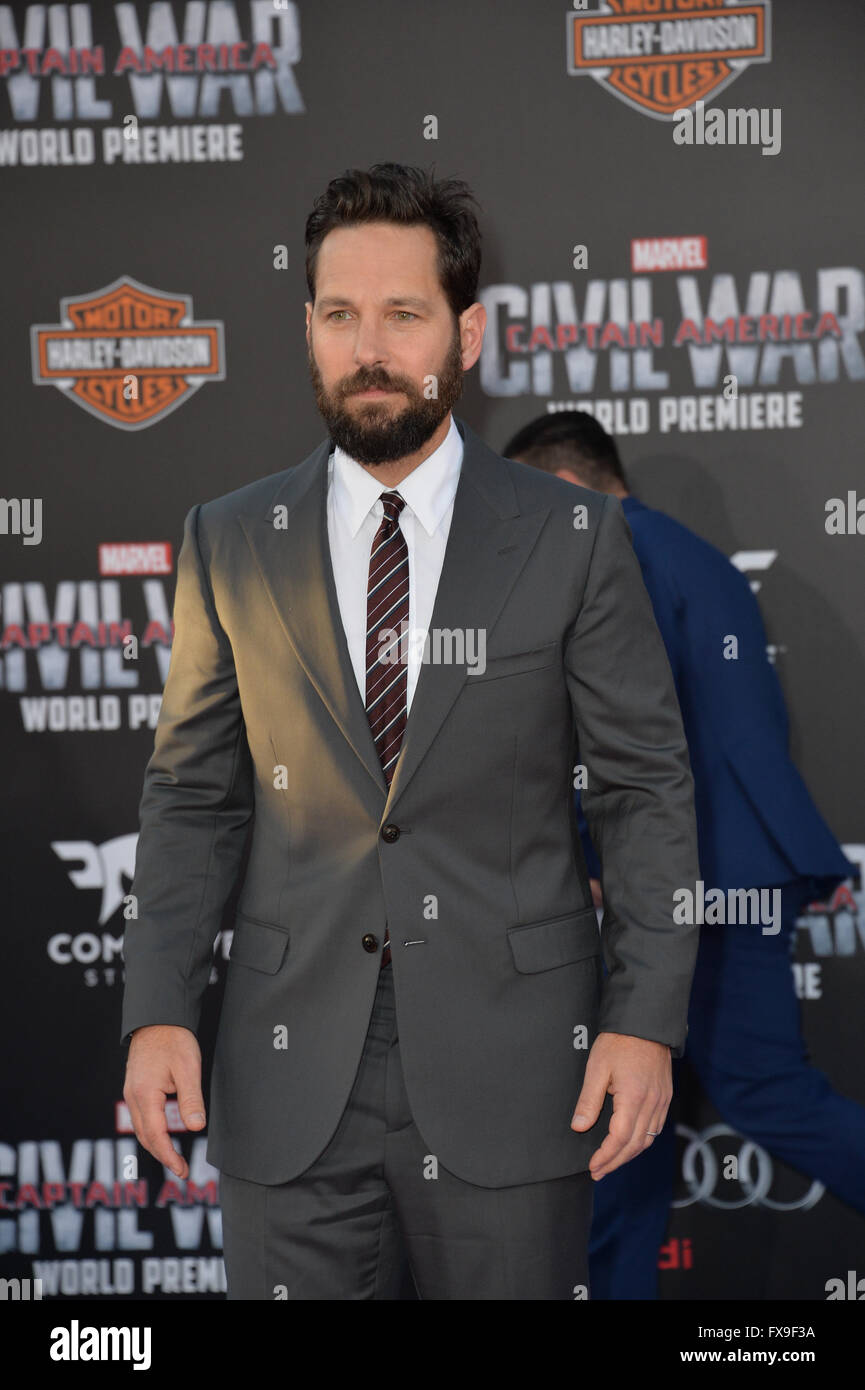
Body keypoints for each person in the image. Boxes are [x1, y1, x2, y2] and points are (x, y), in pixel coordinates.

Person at [120, 165, 700, 1301]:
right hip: (288, 1082)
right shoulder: (230, 537)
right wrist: (155, 1010)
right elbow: (192, 796)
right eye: (340, 314)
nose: (368, 346)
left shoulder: (571, 536)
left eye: (402, 314)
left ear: (466, 333)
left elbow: (643, 788)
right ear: (307, 328)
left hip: (518, 1072)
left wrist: (645, 1021)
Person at [505, 410, 861, 1300]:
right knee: (625, 1110)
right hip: (710, 872)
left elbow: (623, 742)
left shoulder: (611, 550)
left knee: (759, 1091)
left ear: (565, 490)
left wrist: (582, 852)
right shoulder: (683, 550)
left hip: (692, 881)